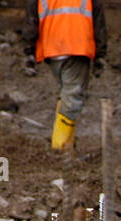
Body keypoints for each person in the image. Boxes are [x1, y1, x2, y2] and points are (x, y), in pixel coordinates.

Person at [26, 0, 107, 151]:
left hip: (52, 47)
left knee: (67, 93)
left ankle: (67, 145)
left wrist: (29, 51)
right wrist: (100, 54)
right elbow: (98, 21)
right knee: (72, 96)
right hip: (78, 45)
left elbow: (32, 18)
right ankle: (59, 146)